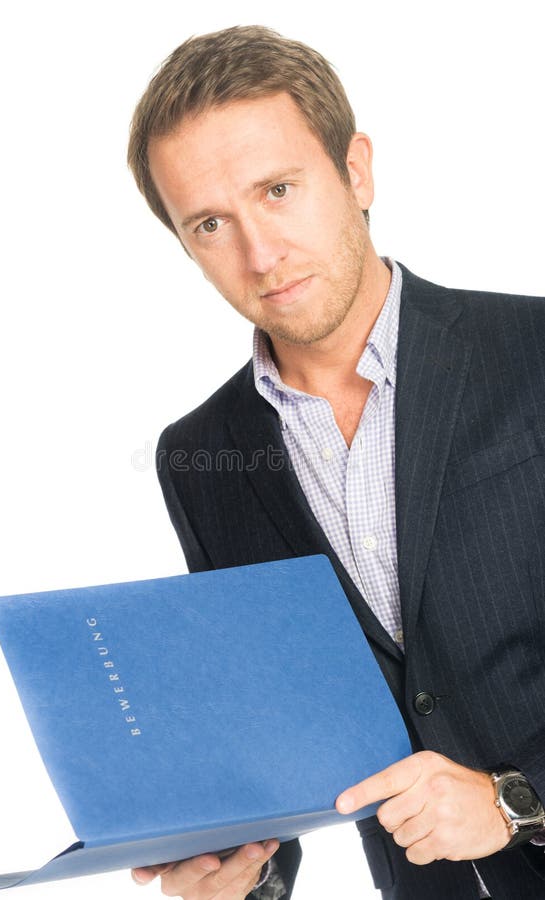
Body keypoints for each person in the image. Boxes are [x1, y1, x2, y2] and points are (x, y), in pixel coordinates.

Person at [125, 25, 545, 900]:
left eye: (277, 190)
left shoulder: (533, 351)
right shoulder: (199, 457)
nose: (260, 254)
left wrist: (517, 800)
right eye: (210, 223)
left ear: (355, 171)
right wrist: (243, 873)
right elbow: (276, 731)